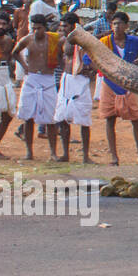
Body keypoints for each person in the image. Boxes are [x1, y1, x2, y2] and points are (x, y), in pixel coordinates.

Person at [87, 12, 138, 166]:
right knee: (110, 120)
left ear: (126, 26)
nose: (116, 27)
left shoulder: (134, 41)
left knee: (136, 120)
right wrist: (102, 69)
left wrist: (136, 63)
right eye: (114, 24)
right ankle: (114, 157)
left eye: (119, 24)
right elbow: (88, 57)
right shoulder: (104, 42)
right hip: (109, 83)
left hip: (128, 84)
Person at [11, 13, 64, 161]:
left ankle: (53, 153)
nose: (36, 31)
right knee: (28, 117)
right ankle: (29, 152)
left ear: (44, 28)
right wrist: (24, 66)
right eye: (33, 28)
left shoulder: (54, 39)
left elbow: (64, 50)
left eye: (39, 28)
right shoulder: (27, 39)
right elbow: (15, 52)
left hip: (48, 78)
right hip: (32, 78)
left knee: (51, 119)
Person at [53, 12, 95, 163]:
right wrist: (65, 69)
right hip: (67, 79)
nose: (62, 28)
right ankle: (66, 154)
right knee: (63, 117)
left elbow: (94, 57)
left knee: (84, 118)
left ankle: (85, 156)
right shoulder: (63, 40)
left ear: (73, 26)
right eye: (61, 25)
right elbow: (59, 56)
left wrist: (89, 70)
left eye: (65, 26)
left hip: (81, 80)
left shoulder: (84, 40)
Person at [0, 10, 18, 157]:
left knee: (8, 114)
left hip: (4, 76)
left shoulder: (9, 40)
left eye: (3, 23)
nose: (0, 26)